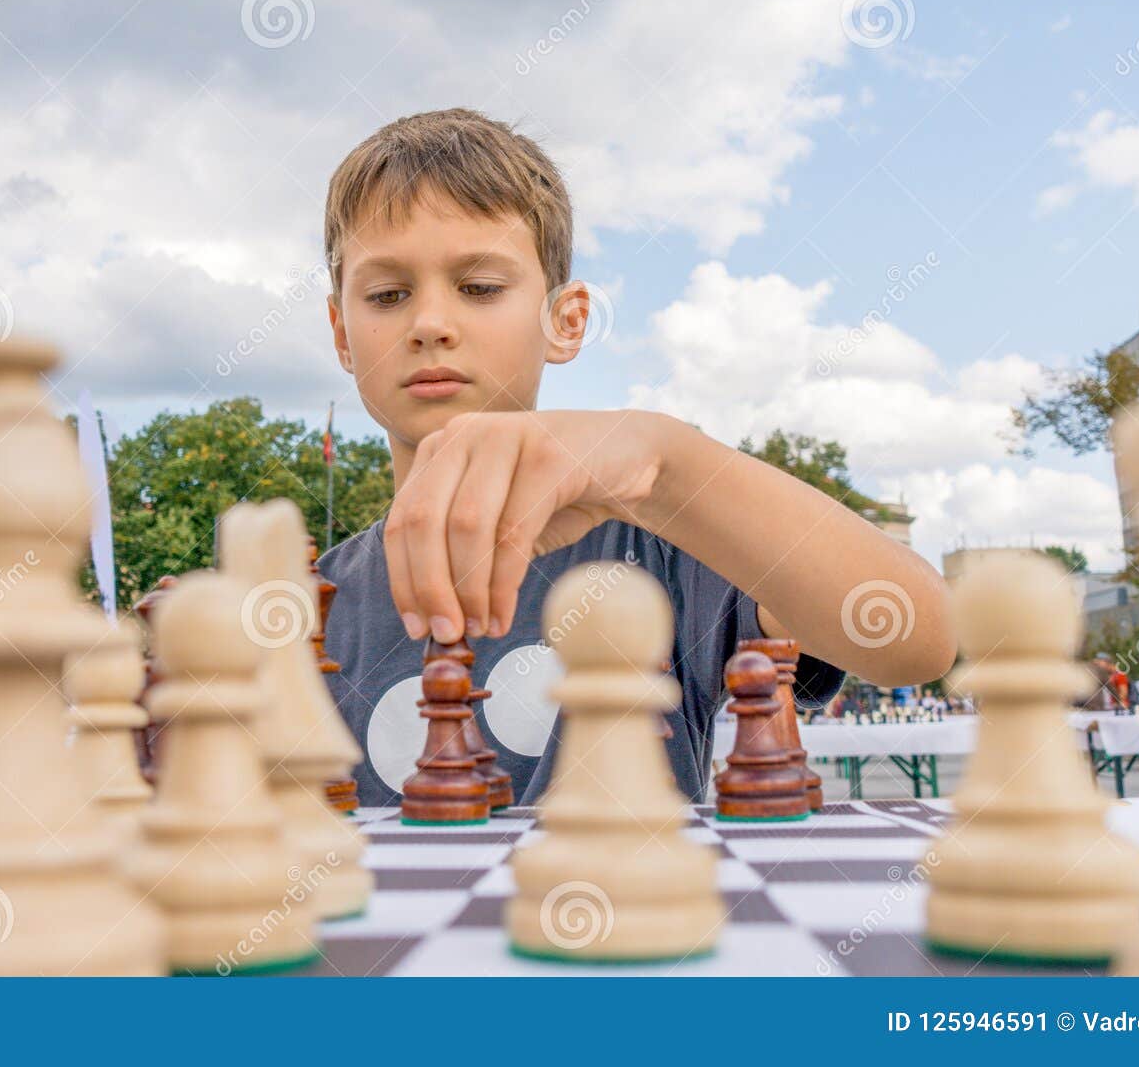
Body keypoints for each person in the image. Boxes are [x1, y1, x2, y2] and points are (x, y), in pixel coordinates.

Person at [313, 108, 957, 806]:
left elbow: (914, 640)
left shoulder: (671, 547)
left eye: (480, 288)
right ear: (342, 334)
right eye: (387, 295)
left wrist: (663, 462)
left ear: (567, 321)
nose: (431, 324)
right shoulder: (308, 604)